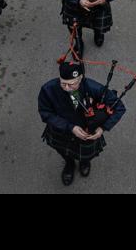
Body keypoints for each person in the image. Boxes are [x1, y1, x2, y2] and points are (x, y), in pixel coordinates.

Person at [37, 57, 126, 186]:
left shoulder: (93, 87)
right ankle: (69, 164)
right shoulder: (48, 89)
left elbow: (119, 107)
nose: (67, 88)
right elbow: (45, 113)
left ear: (80, 78)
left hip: (87, 132)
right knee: (63, 151)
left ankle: (85, 161)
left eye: (71, 84)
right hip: (60, 131)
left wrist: (103, 128)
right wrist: (71, 127)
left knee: (86, 155)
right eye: (63, 83)